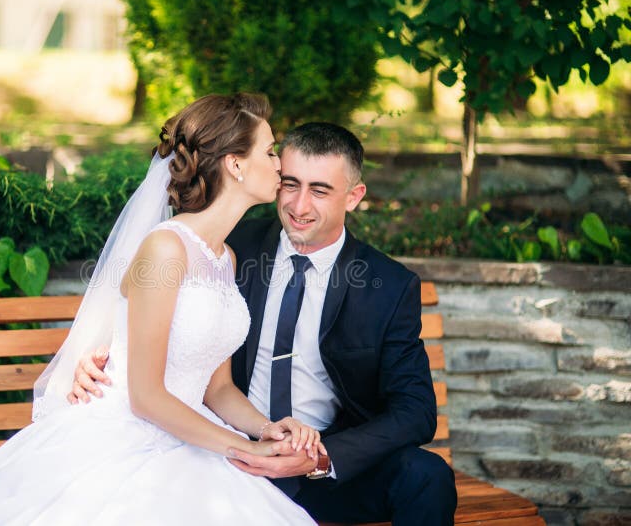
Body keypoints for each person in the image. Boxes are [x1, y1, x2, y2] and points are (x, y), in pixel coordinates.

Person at [0, 94, 320, 525]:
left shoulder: (224, 258)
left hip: (190, 432)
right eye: (269, 152)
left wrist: (264, 427)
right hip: (127, 434)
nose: (279, 165)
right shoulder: (165, 249)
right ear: (234, 164)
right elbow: (146, 396)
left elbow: (217, 389)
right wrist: (245, 448)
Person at [71, 122, 458, 525]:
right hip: (225, 449)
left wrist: (323, 457)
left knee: (426, 476)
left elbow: (415, 411)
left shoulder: (388, 286)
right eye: (290, 184)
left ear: (354, 196)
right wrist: (99, 354)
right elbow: (140, 302)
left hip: (321, 467)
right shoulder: (227, 245)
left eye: (320, 190)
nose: (299, 205)